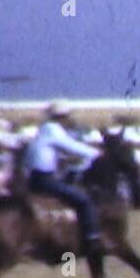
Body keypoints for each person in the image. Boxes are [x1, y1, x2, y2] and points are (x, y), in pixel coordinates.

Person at [24, 101, 103, 252]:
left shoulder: (43, 130)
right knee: (83, 201)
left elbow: (55, 153)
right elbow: (72, 146)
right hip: (45, 180)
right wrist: (98, 154)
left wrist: (66, 159)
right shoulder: (54, 130)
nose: (69, 120)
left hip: (34, 178)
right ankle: (92, 238)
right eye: (68, 117)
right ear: (63, 117)